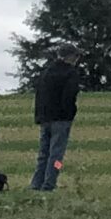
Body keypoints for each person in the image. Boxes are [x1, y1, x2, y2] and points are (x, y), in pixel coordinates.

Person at [29, 52, 87, 191]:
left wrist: (40, 115)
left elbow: (39, 94)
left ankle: (36, 183)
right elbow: (70, 95)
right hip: (61, 119)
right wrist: (70, 113)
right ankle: (50, 183)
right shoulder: (71, 73)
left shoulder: (46, 72)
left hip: (45, 117)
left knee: (43, 153)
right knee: (57, 156)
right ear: (71, 57)